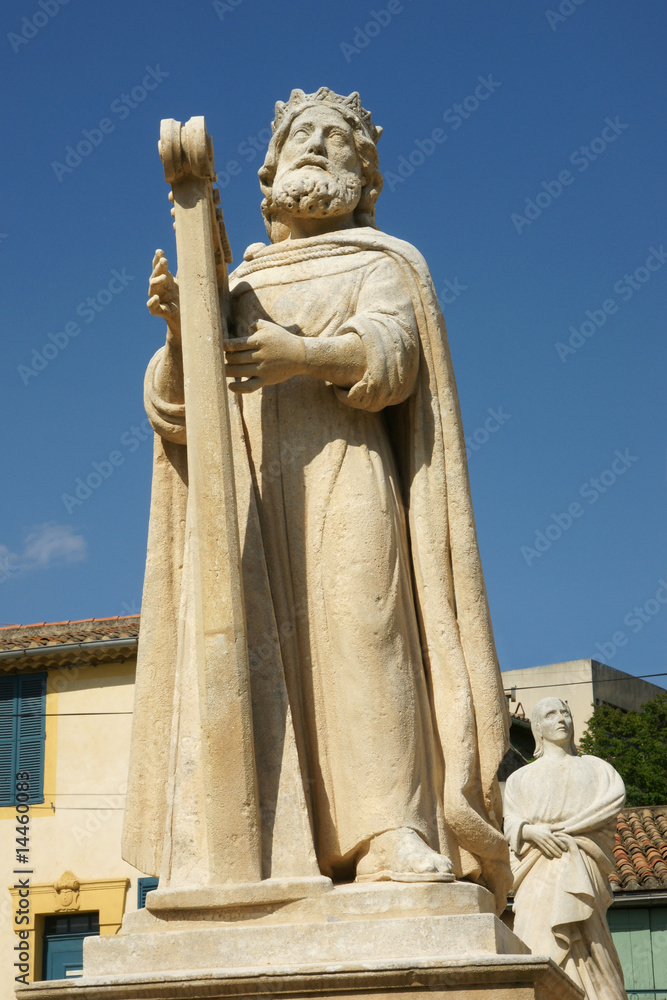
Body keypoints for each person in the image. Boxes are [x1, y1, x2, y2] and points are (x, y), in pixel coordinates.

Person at [122, 87, 512, 910]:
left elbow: (393, 355)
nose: (318, 148)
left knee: (363, 636)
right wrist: (180, 329)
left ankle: (386, 833)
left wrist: (300, 351)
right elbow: (177, 410)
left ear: (364, 176)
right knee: (242, 657)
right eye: (303, 136)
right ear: (269, 168)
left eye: (339, 141)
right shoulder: (238, 277)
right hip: (248, 495)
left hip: (348, 475)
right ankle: (247, 838)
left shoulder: (384, 261)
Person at [504, 698, 627, 999]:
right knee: (535, 941)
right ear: (537, 728)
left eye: (566, 713)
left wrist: (566, 832)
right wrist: (529, 831)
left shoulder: (599, 770)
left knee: (592, 945)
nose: (561, 720)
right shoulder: (520, 778)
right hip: (536, 872)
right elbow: (509, 822)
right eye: (551, 715)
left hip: (582, 864)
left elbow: (610, 804)